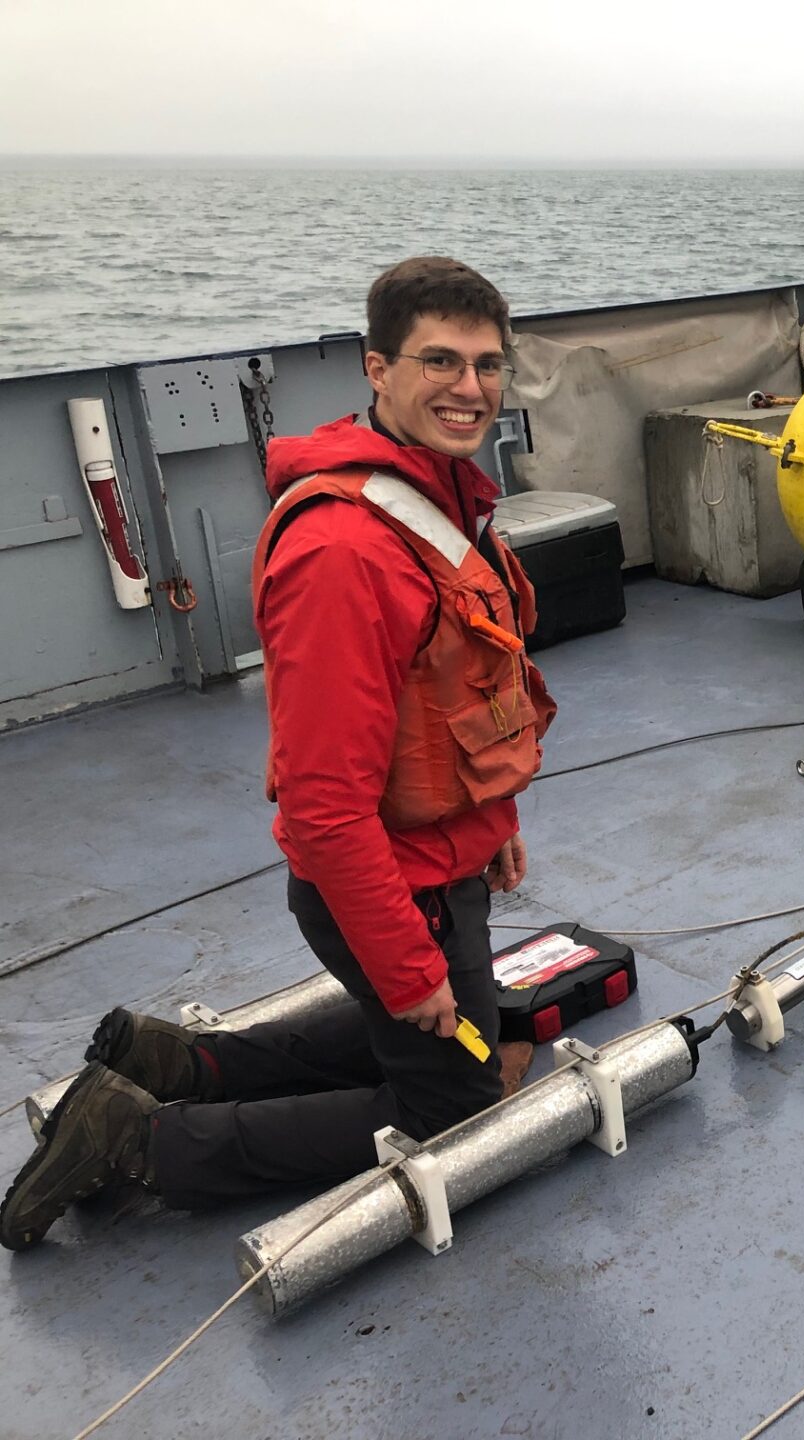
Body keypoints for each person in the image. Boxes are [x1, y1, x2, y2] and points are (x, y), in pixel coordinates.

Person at [2, 257, 556, 1248]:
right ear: (375, 368)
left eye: (486, 365)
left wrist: (494, 828)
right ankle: (143, 1139)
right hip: (388, 888)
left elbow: (467, 691)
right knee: (457, 1110)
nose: (470, 389)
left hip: (441, 862)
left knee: (490, 1023)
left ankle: (181, 1063)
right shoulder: (345, 554)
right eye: (440, 361)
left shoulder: (440, 506)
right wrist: (405, 964)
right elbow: (324, 809)